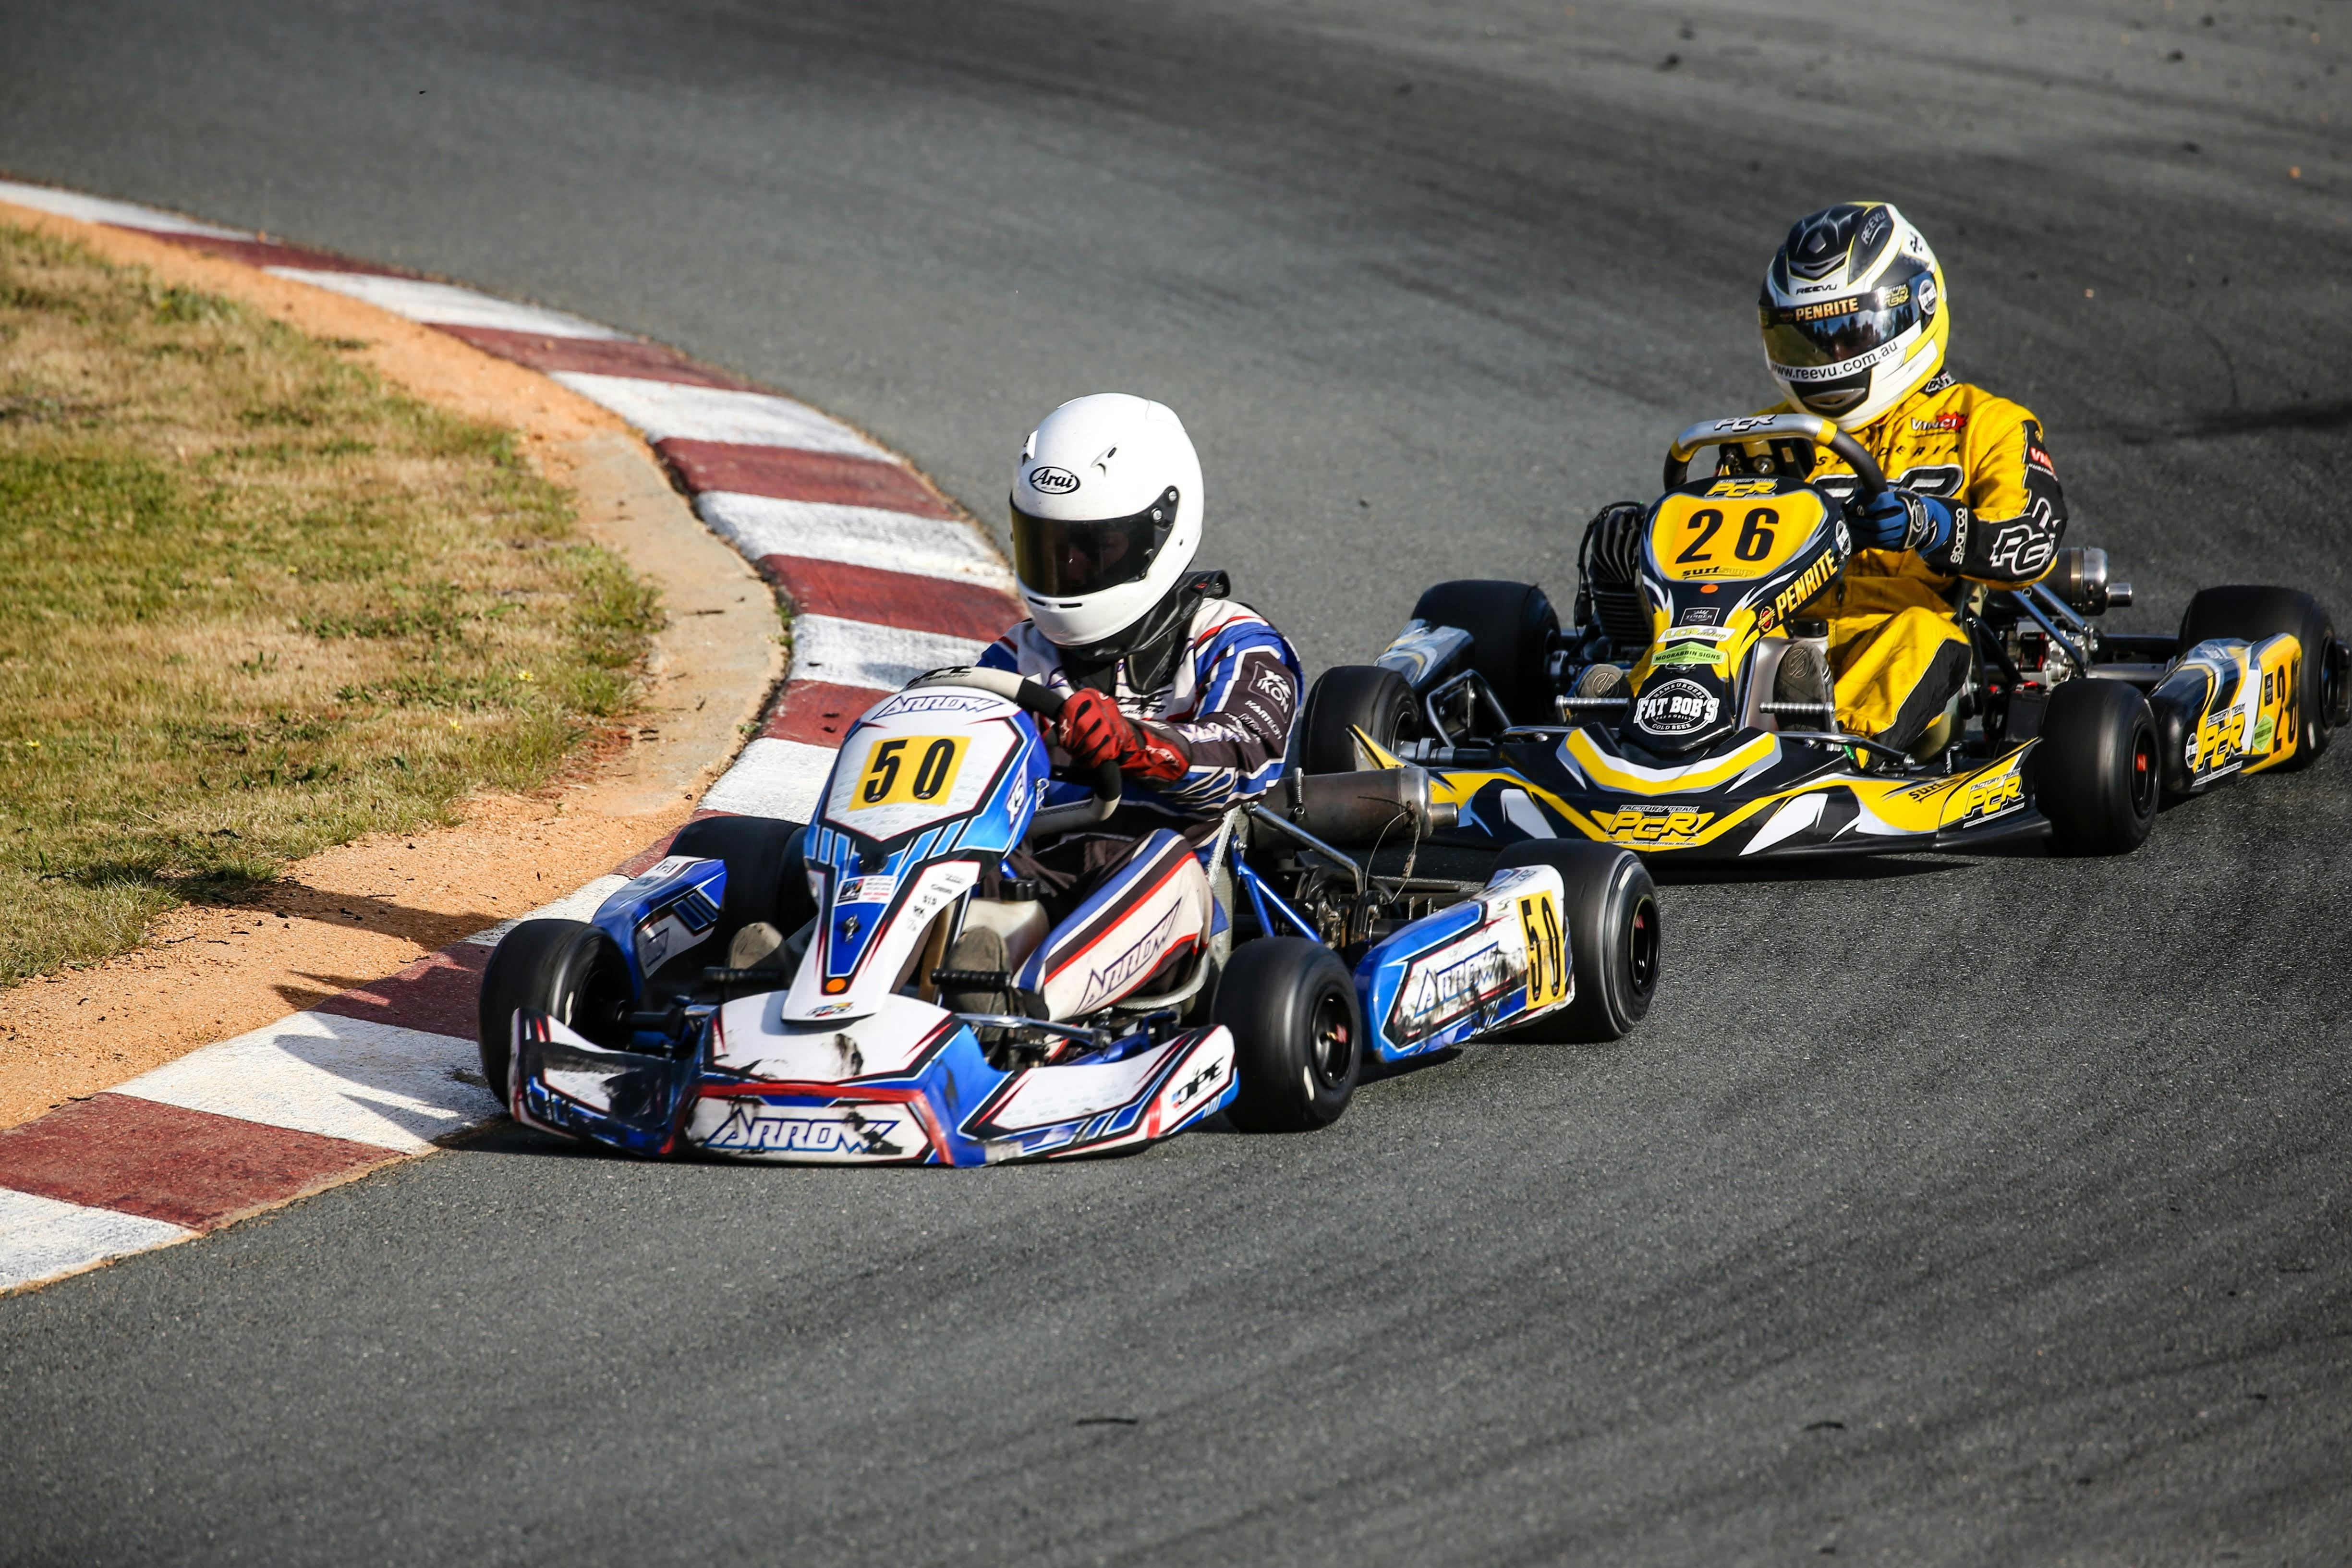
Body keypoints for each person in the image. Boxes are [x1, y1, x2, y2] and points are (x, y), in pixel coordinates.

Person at [943, 392, 1303, 1020]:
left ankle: (1024, 1007)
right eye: (1049, 546)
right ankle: (821, 975)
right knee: (940, 861)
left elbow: (1247, 754)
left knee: (1156, 864)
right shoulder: (1016, 655)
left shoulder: (1233, 641)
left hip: (1170, 870)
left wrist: (1137, 745)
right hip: (1037, 861)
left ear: (1157, 533)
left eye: (1093, 548)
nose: (1067, 567)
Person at [1739, 201, 2070, 756]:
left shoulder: (1987, 424)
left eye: (1847, 332)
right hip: (1784, 629)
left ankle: (1834, 752)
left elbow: (2031, 545)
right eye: (1809, 339)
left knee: (1924, 632)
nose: (1830, 355)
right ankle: (1633, 730)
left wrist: (1933, 525)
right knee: (1703, 644)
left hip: (1904, 632)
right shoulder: (1766, 436)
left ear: (1913, 307)